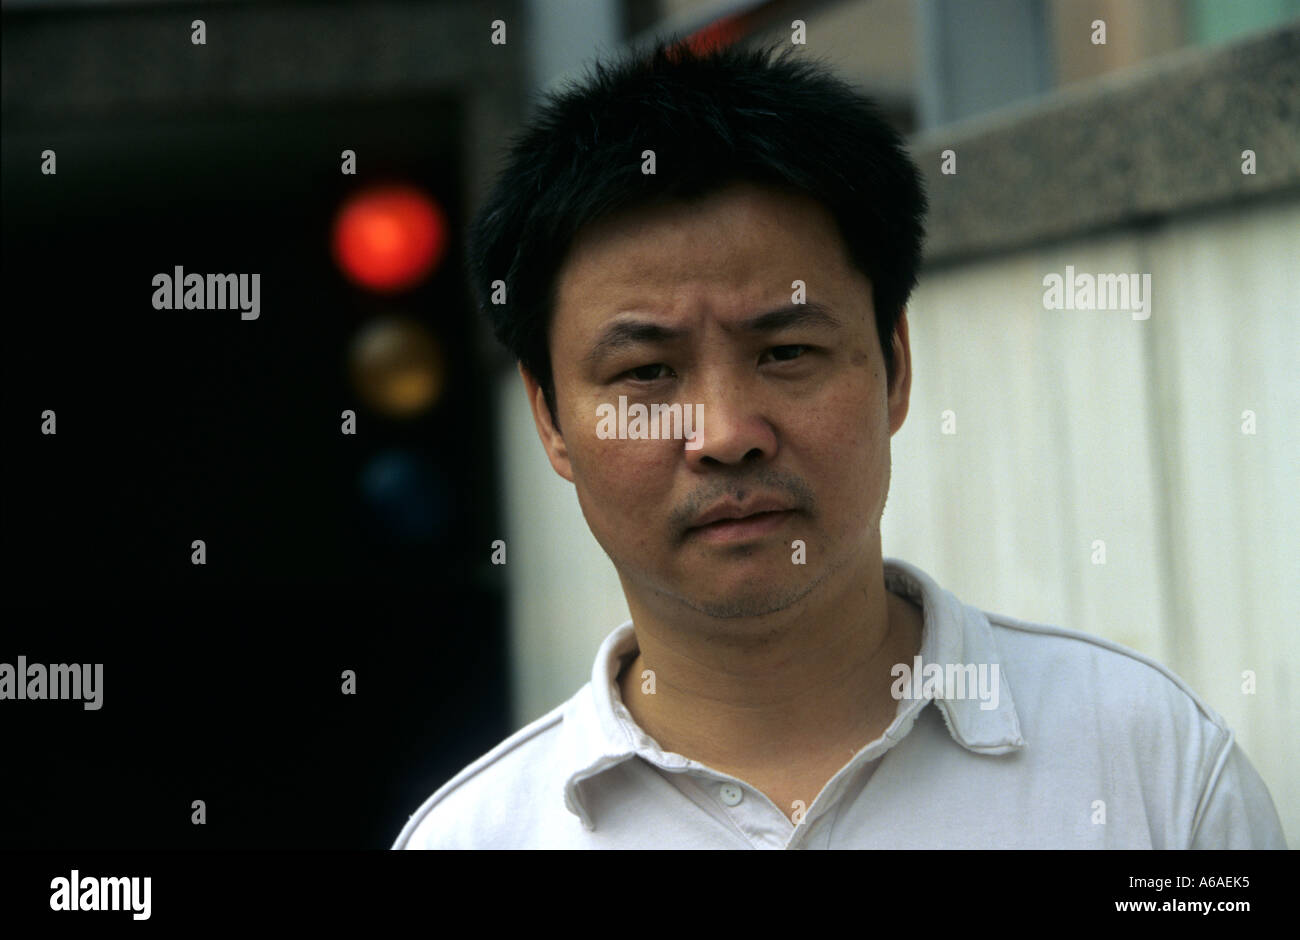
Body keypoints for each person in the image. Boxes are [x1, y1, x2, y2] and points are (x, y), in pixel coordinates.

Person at [392, 37, 1285, 849]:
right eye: (647, 375)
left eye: (786, 352)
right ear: (551, 418)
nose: (726, 435)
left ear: (895, 365)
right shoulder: (480, 839)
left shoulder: (1153, 771)